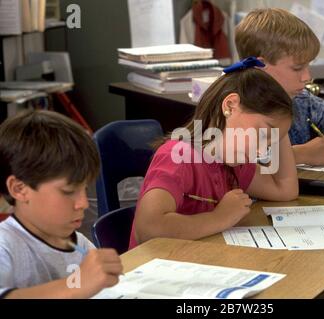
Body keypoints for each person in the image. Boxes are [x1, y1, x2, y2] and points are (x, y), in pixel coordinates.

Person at [130, 58, 299, 248]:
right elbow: (149, 229)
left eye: (270, 143)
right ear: (230, 106)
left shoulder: (235, 163)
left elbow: (285, 189)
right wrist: (220, 218)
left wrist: (279, 125)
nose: (261, 151)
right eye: (261, 135)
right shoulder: (177, 157)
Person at [0, 110, 123, 299]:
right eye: (68, 191)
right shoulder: (4, 245)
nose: (82, 203)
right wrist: (74, 287)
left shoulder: (79, 244)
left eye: (84, 189)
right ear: (19, 189)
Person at [235, 8, 324, 166]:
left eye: (308, 66)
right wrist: (299, 155)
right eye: (297, 68)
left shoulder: (301, 101)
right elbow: (239, 162)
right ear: (261, 66)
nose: (307, 77)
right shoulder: (236, 108)